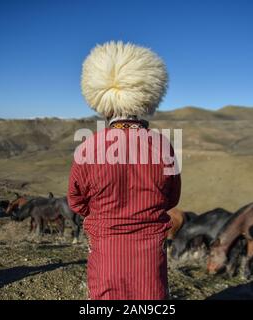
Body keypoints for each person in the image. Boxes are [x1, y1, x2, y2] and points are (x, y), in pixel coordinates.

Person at [67, 41, 181, 300]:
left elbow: (76, 201)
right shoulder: (163, 145)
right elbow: (172, 199)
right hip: (149, 258)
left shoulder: (89, 147)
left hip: (106, 253)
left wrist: (104, 215)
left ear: (102, 102)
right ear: (147, 97)